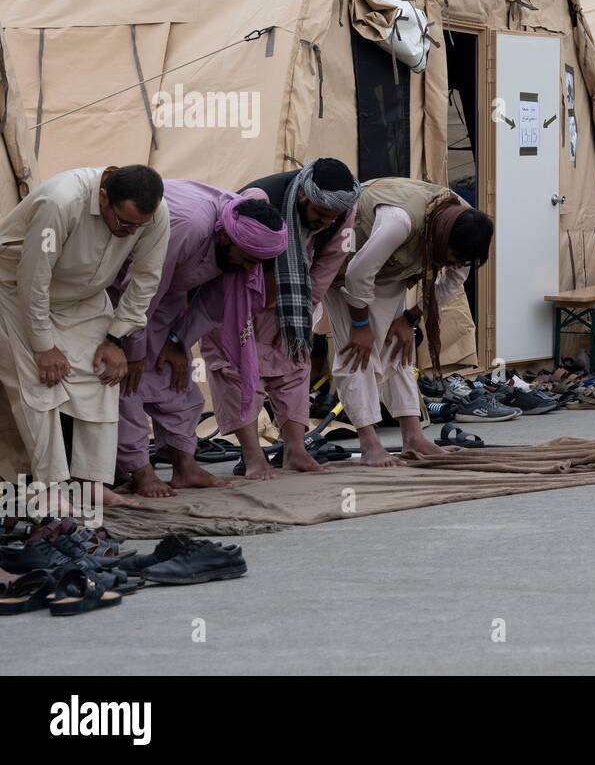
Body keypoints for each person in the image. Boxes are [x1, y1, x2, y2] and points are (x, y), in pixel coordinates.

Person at [0, 165, 169, 508]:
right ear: (103, 196)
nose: (129, 232)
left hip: (85, 297)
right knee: (39, 383)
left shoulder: (153, 215)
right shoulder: (59, 202)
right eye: (124, 222)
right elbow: (34, 279)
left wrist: (117, 338)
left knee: (104, 374)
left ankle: (90, 483)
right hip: (16, 289)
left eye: (138, 226)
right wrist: (43, 345)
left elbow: (146, 279)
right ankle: (52, 490)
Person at [115, 183, 288, 498]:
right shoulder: (189, 227)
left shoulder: (239, 241)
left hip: (163, 297)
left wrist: (177, 340)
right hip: (121, 295)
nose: (251, 270)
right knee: (126, 380)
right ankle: (141, 471)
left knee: (174, 375)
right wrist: (134, 349)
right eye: (248, 259)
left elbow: (213, 304)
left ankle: (185, 467)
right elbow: (140, 291)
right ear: (224, 237)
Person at [202, 158, 360, 479]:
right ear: (303, 195)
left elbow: (328, 263)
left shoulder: (343, 210)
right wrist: (239, 319)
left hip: (289, 298)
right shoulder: (260, 198)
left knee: (294, 364)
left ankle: (295, 452)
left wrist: (302, 311)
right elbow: (227, 253)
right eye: (319, 214)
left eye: (332, 218)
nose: (325, 222)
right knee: (237, 370)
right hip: (236, 292)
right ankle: (253, 457)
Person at [327, 178, 492, 466]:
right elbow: (357, 273)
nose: (453, 264)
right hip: (346, 273)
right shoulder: (399, 221)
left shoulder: (464, 224)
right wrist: (360, 327)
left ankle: (413, 436)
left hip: (390, 275)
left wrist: (409, 319)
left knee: (398, 349)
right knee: (358, 354)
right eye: (451, 257)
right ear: (443, 241)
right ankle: (369, 444)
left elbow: (453, 281)